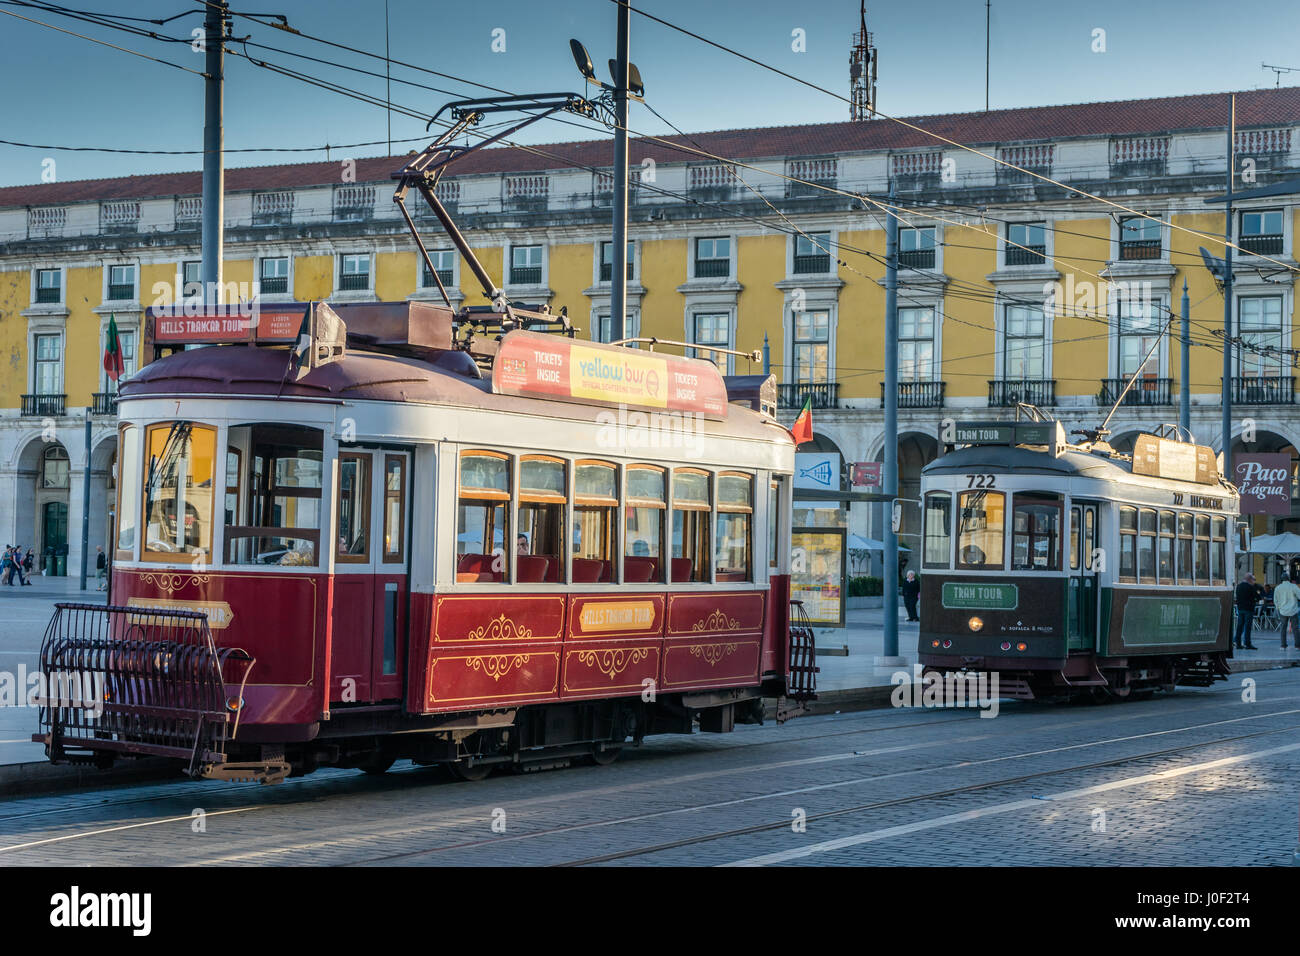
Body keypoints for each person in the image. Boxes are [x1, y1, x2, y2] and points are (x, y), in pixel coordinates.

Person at [1274, 574, 1300, 650]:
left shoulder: (1277, 588)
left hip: (1282, 611)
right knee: (1295, 628)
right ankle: (1297, 646)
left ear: (1281, 579)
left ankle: (1283, 645)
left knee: (1283, 628)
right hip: (1293, 610)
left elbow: (1275, 600)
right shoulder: (1293, 586)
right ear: (1288, 579)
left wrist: (1278, 608)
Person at [1234, 572, 1259, 650]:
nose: (1253, 580)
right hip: (1248, 609)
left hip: (1240, 609)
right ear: (1249, 579)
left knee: (1240, 626)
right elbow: (1257, 597)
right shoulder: (1250, 587)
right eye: (1253, 579)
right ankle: (1247, 644)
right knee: (1247, 627)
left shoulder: (1238, 586)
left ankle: (1238, 643)